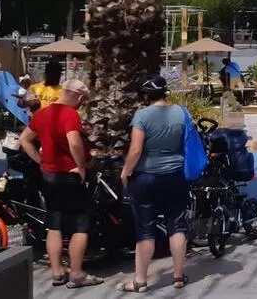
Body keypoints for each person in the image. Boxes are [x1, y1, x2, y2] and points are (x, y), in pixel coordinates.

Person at [17, 79, 102, 289]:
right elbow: (74, 141)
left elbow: (24, 139)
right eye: (83, 100)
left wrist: (40, 160)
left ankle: (56, 272)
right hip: (69, 175)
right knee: (79, 225)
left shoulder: (42, 114)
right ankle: (76, 273)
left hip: (49, 175)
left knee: (54, 224)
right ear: (79, 97)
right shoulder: (70, 115)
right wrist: (81, 166)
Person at [117, 75, 191, 292]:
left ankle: (140, 280)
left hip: (146, 177)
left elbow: (136, 150)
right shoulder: (181, 112)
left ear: (146, 94)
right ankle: (178, 276)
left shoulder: (142, 116)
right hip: (176, 175)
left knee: (145, 229)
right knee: (177, 225)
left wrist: (125, 171)